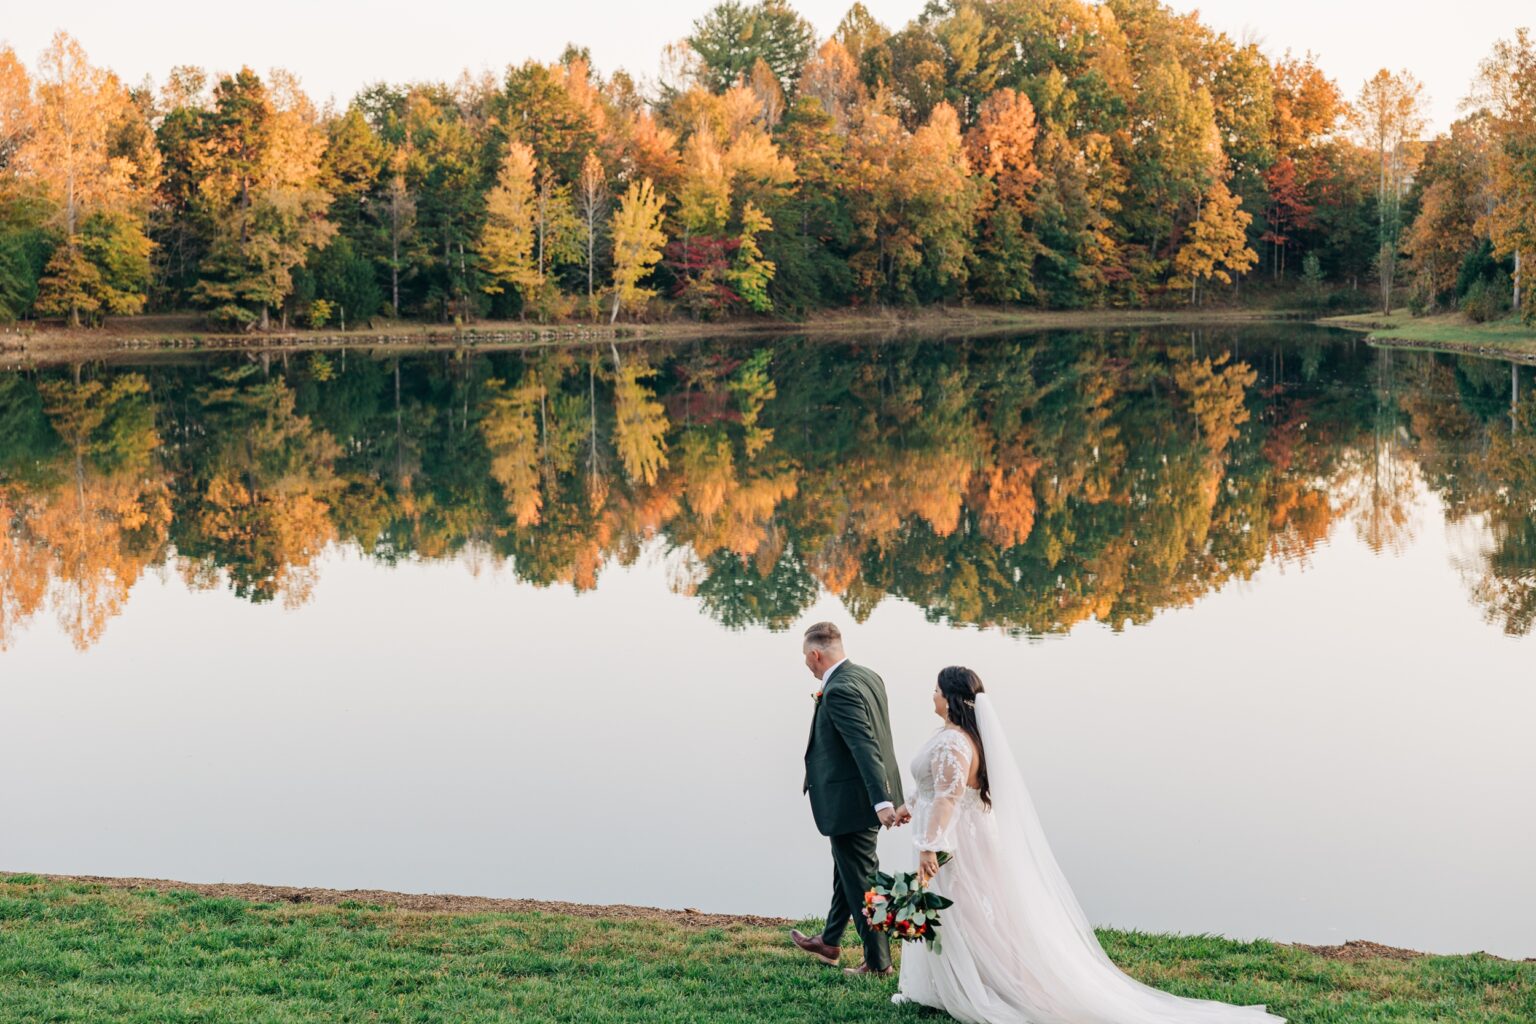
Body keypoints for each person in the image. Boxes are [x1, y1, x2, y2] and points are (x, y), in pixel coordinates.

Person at [891, 665, 1286, 1023]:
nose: (932, 695)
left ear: (951, 698)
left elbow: (947, 796)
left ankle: (975, 987)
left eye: (936, 689)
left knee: (961, 910)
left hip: (954, 839)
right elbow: (933, 788)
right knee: (959, 909)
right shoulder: (954, 736)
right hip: (958, 831)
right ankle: (946, 984)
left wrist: (930, 844)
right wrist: (910, 806)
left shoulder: (954, 743)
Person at [790, 621, 907, 976]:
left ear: (815, 654)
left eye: (805, 658)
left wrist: (882, 802)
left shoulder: (839, 689)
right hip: (862, 796)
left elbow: (865, 746)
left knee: (862, 880)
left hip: (854, 801)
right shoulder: (869, 676)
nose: (806, 665)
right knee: (849, 870)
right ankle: (829, 941)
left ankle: (878, 963)